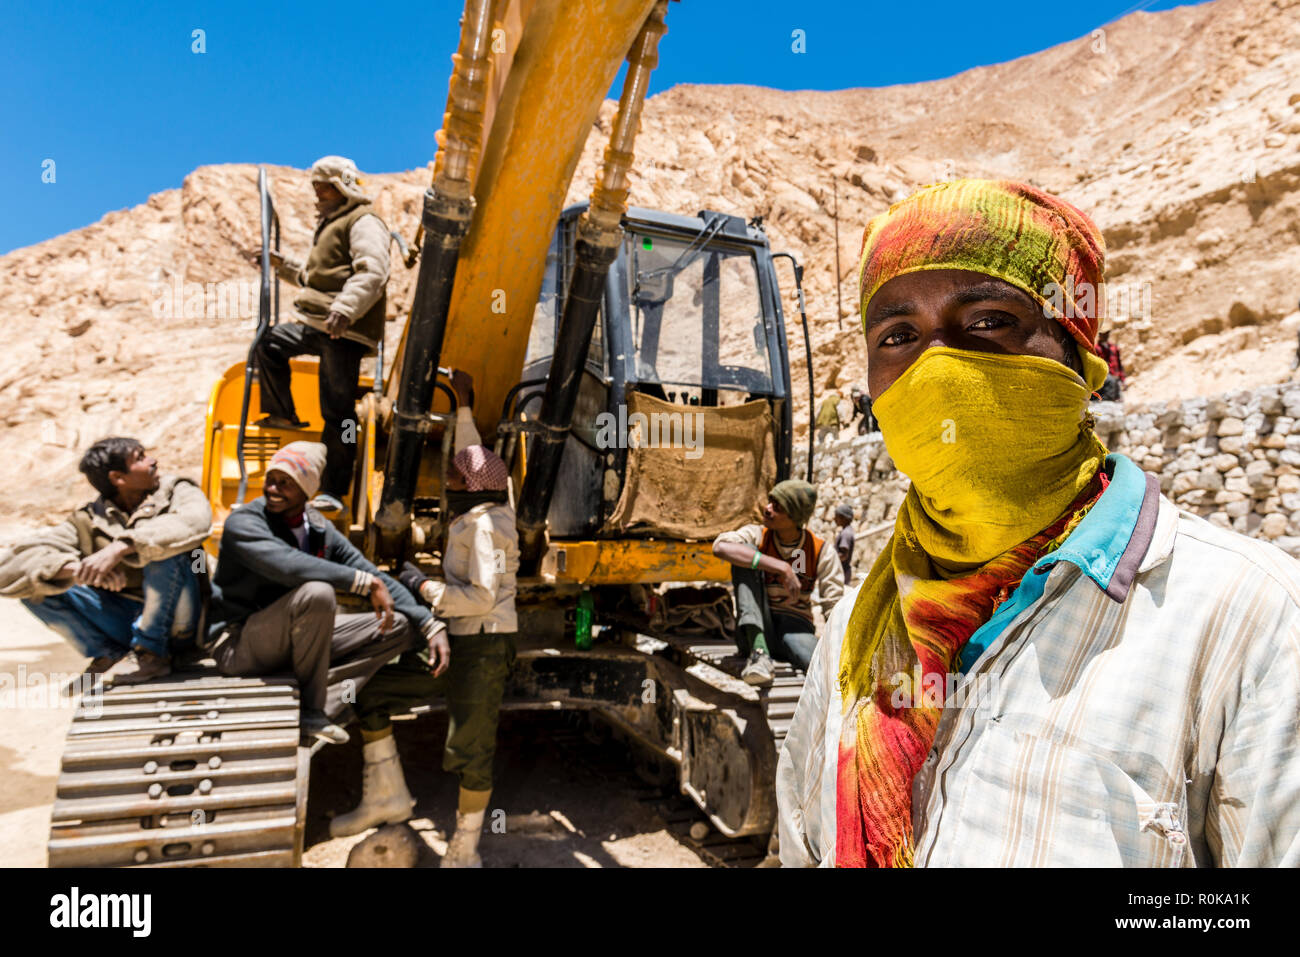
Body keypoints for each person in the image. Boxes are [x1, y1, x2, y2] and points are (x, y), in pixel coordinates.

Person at [777, 178, 1300, 868]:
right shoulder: (855, 631)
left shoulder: (1250, 621)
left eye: (988, 319)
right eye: (898, 335)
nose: (938, 365)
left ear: (1078, 352)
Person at [332, 373, 519, 869]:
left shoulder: (483, 528)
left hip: (481, 644)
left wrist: (422, 587)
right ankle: (386, 795)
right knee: (373, 694)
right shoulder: (489, 500)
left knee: (471, 747)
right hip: (455, 641)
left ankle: (465, 850)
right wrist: (463, 407)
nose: (449, 479)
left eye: (454, 478)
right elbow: (474, 457)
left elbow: (481, 598)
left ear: (470, 487)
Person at [208, 441, 435, 745]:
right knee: (318, 594)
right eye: (271, 479)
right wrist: (360, 582)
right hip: (241, 644)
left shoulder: (317, 527)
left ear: (308, 490)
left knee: (399, 626)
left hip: (291, 638)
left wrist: (429, 623)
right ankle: (312, 711)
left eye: (286, 483)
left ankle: (322, 698)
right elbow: (288, 566)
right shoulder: (245, 523)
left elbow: (374, 574)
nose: (273, 489)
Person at [0, 438, 210, 688]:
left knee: (165, 553)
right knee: (33, 584)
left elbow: (196, 521)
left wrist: (121, 548)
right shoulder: (89, 519)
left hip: (183, 621)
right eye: (140, 457)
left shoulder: (177, 490)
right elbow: (11, 567)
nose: (153, 460)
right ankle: (111, 653)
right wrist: (77, 570)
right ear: (118, 478)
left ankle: (153, 653)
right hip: (126, 621)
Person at [248, 155, 392, 514]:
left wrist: (346, 307)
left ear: (341, 186)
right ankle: (282, 413)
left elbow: (373, 271)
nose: (317, 195)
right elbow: (315, 280)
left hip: (345, 331)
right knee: (268, 343)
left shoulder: (364, 221)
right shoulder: (331, 224)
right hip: (317, 324)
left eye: (323, 188)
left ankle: (334, 490)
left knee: (339, 414)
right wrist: (283, 266)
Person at [712, 479, 844, 687]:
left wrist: (841, 651)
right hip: (755, 626)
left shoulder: (821, 551)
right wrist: (780, 566)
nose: (767, 509)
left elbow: (834, 607)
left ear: (794, 517)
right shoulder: (757, 535)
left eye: (777, 507)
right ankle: (759, 654)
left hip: (796, 626)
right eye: (770, 501)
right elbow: (720, 547)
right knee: (745, 553)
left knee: (823, 671)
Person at [1097, 323, 1125, 401]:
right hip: (1106, 380)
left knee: (1119, 400)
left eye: (1107, 333)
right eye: (1103, 334)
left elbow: (1119, 364)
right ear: (1099, 335)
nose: (1106, 336)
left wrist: (1122, 378)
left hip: (1116, 377)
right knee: (1108, 400)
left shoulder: (1114, 348)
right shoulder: (1096, 349)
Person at [833, 503, 855, 582]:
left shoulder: (846, 534)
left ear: (843, 518)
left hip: (841, 573)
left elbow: (843, 555)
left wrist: (829, 559)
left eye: (836, 517)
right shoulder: (847, 531)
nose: (834, 519)